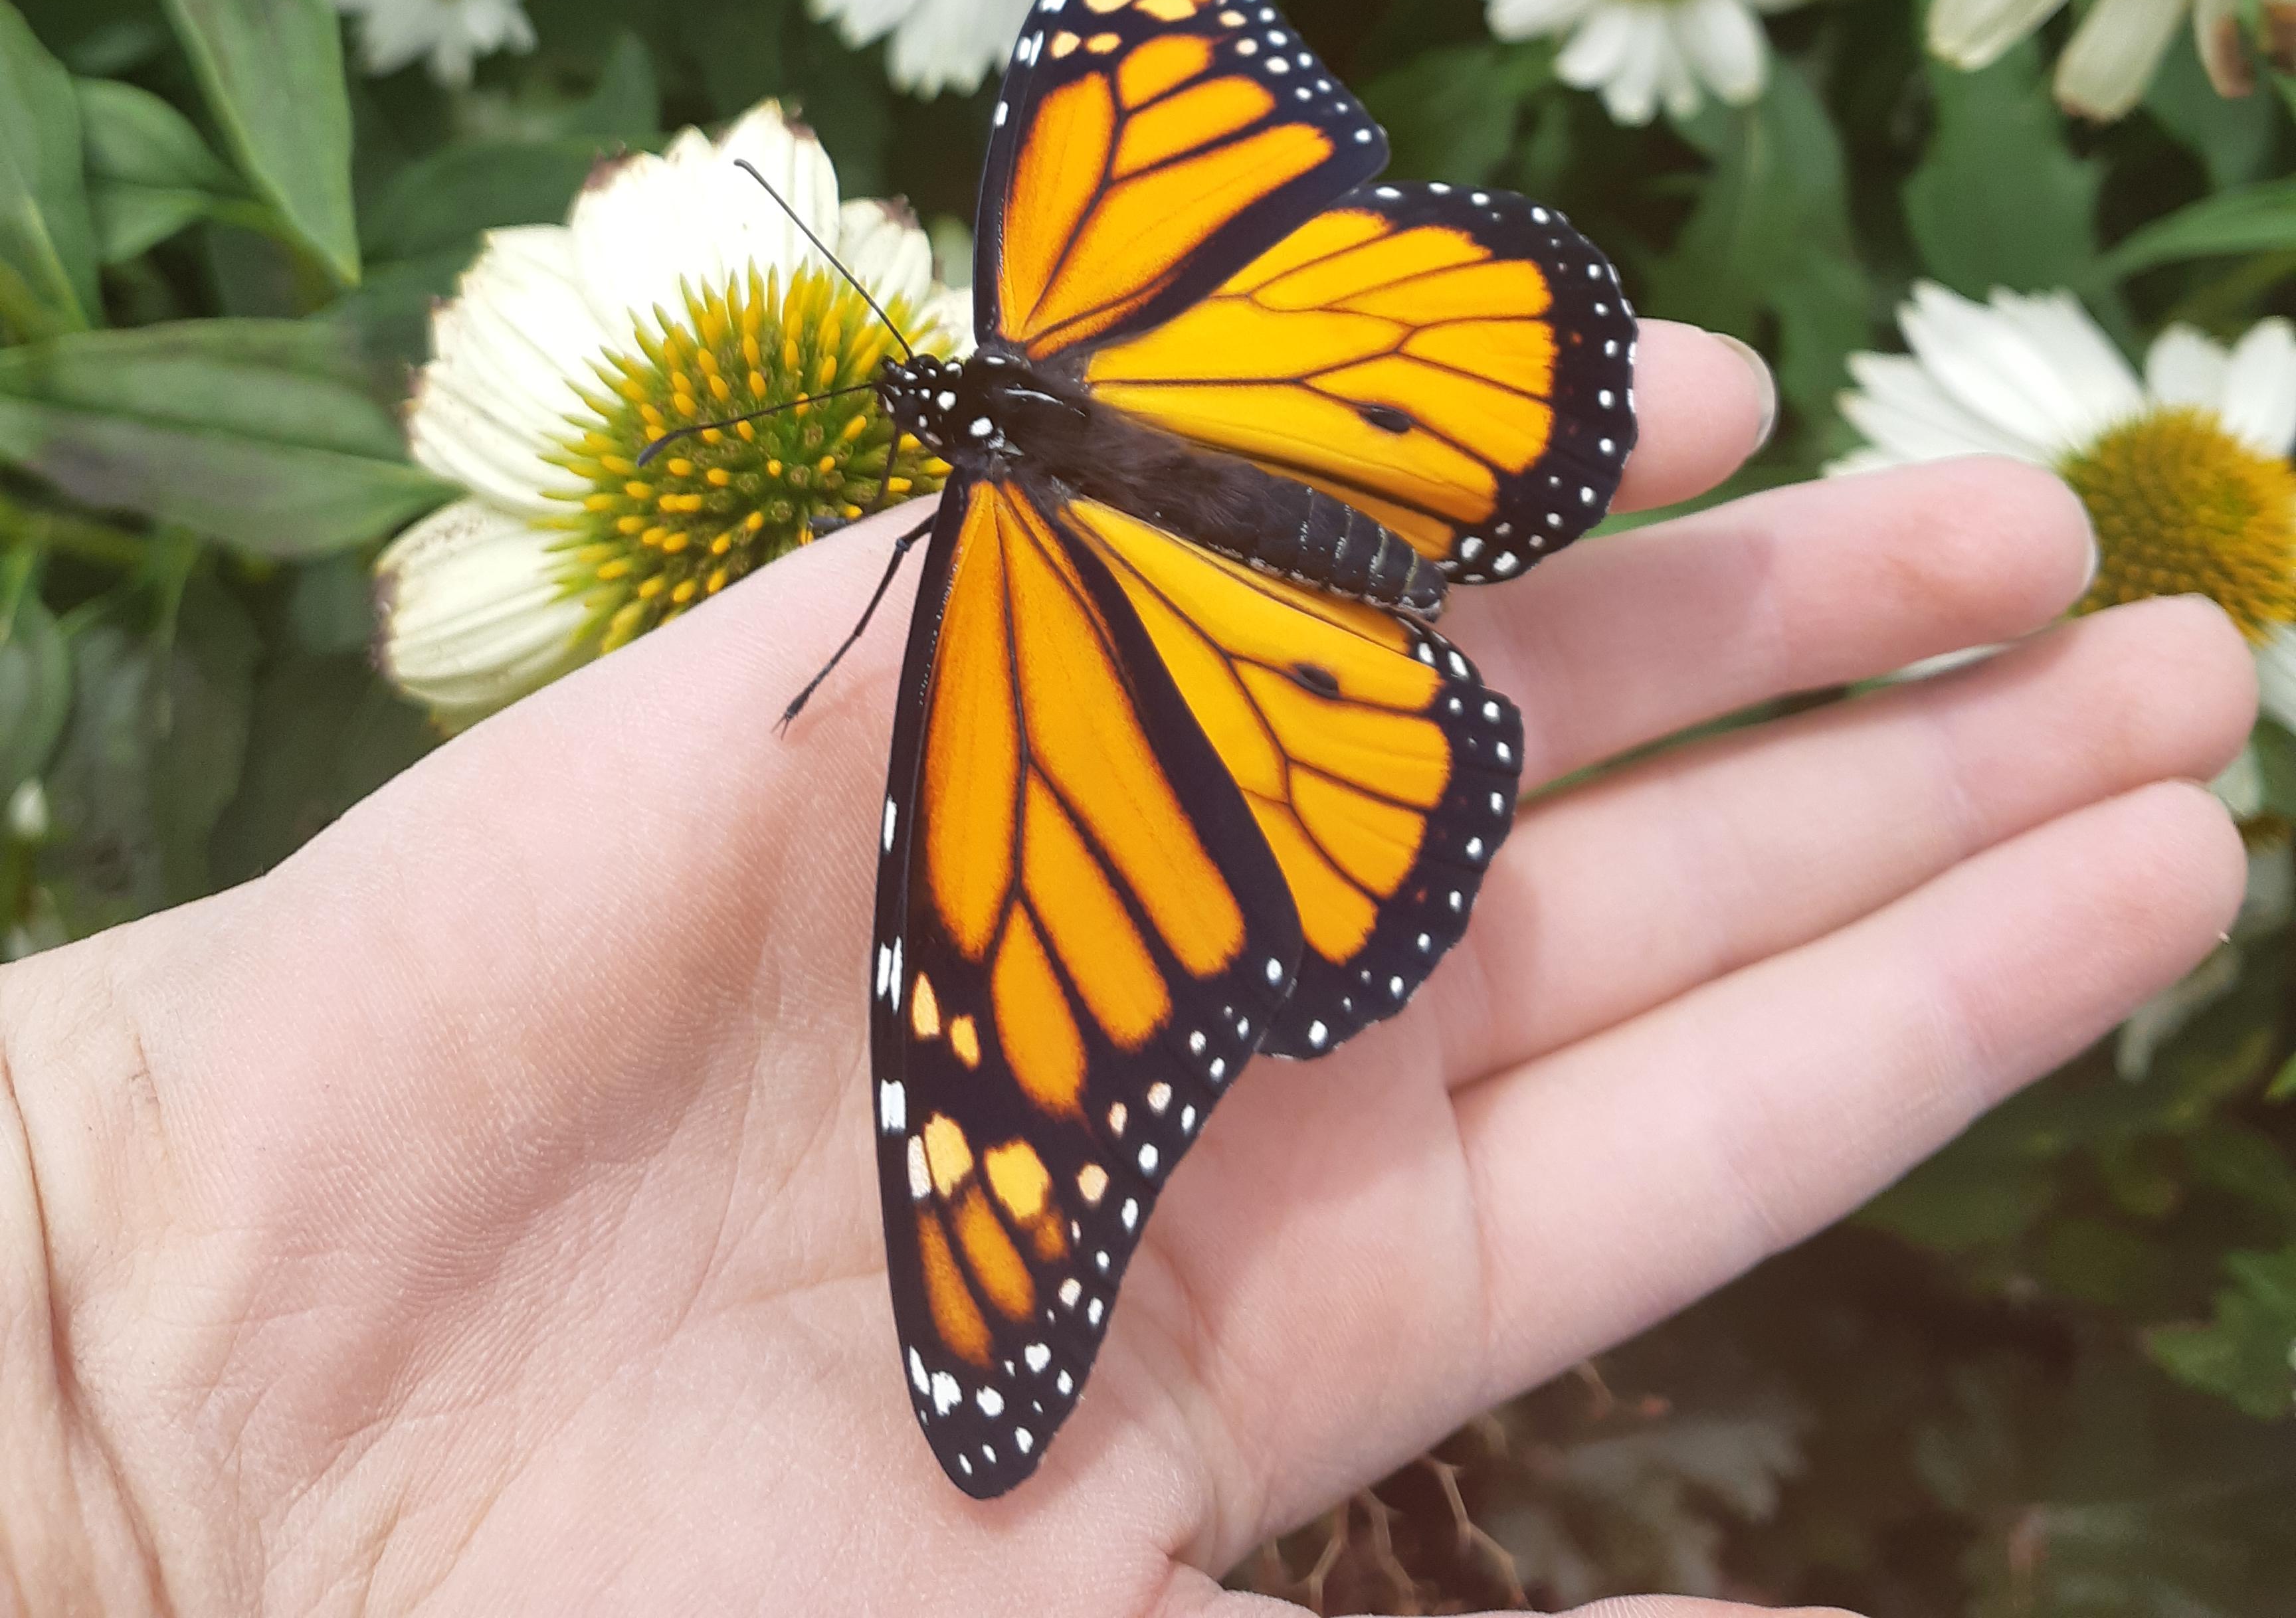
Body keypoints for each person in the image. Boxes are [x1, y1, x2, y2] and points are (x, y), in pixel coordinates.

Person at [0, 321, 2252, 1617]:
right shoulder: (1048, 393)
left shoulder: (982, 603)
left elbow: (1004, 967)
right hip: (1306, 502)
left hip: (1251, 662)